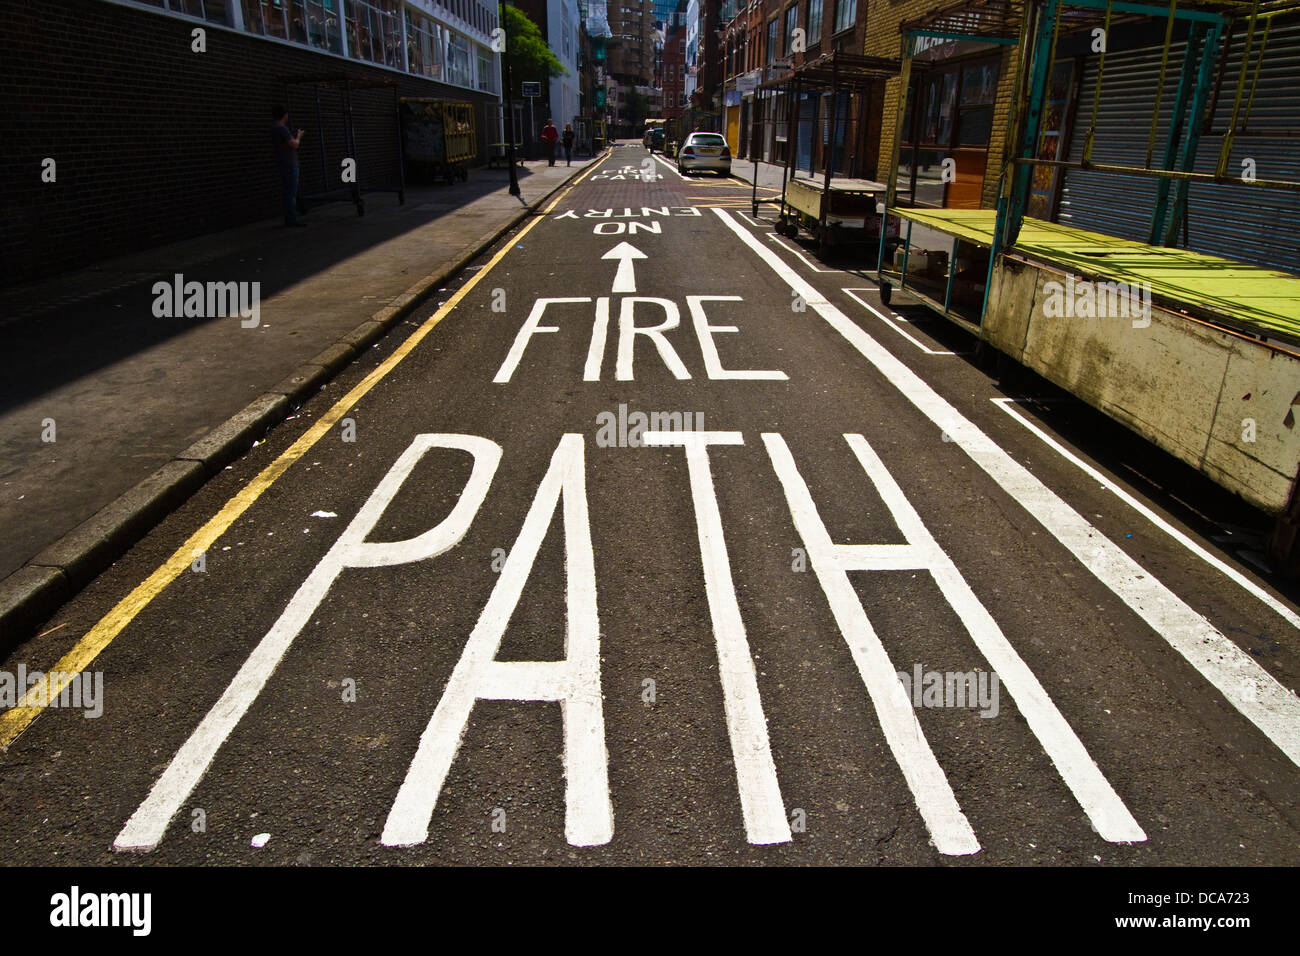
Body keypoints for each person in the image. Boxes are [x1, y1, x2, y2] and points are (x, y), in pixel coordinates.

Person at [271, 105, 306, 227]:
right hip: (290, 164)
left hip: (282, 163)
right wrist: (299, 136)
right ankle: (291, 219)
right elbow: (294, 144)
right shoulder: (282, 129)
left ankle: (289, 217)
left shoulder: (273, 128)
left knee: (288, 192)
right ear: (284, 115)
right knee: (291, 193)